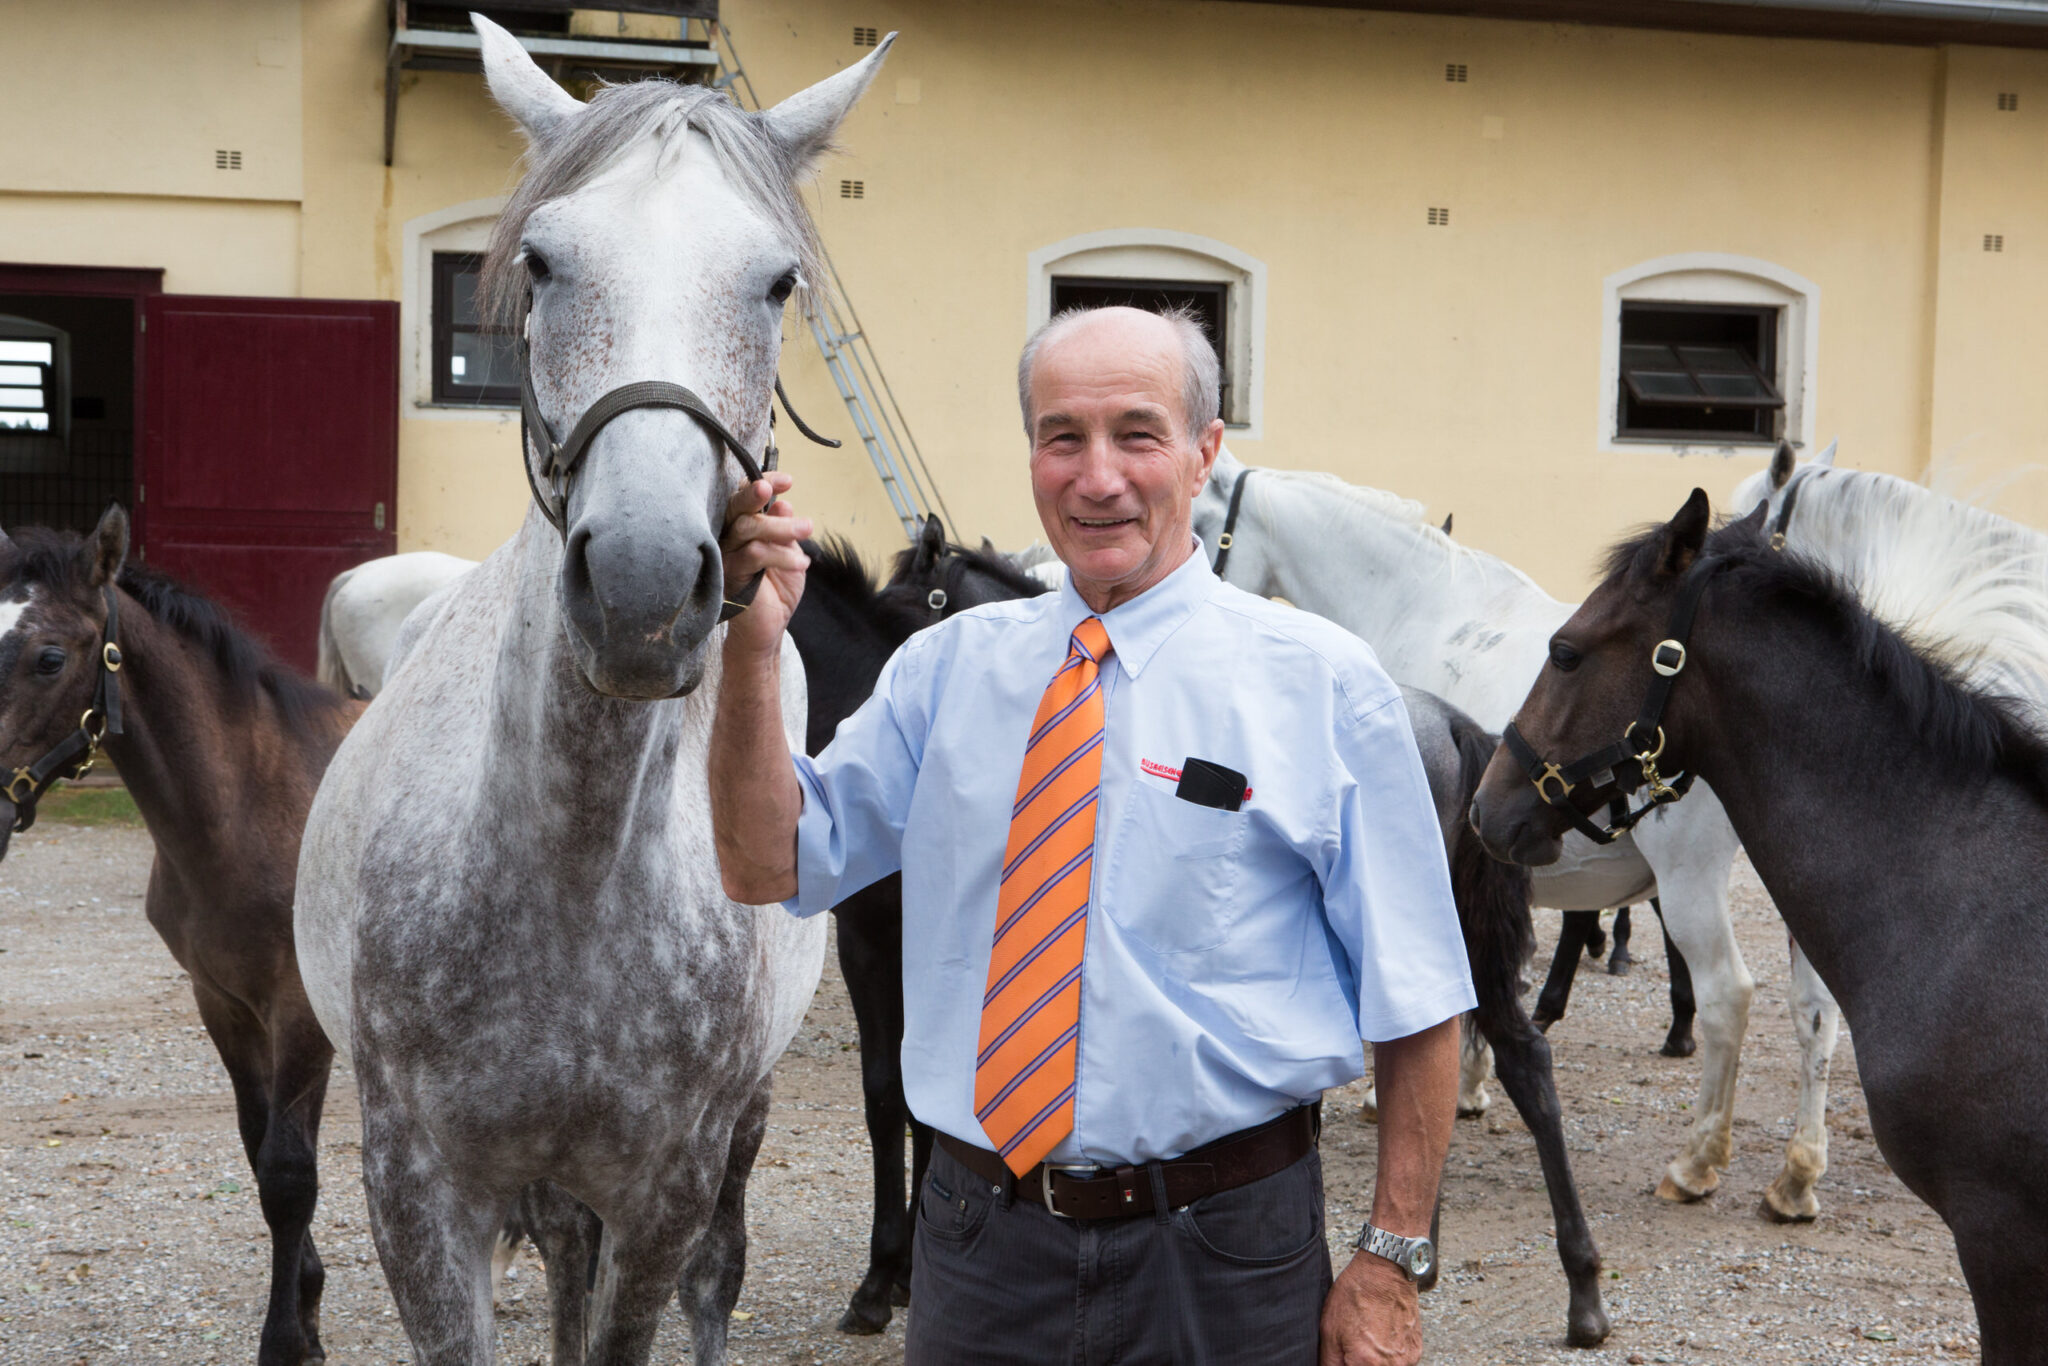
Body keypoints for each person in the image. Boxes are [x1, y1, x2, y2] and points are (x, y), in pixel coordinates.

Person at [709, 305, 1475, 1366]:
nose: (1096, 474)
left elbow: (1418, 994)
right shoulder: (943, 672)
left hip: (1223, 1248)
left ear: (1204, 451)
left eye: (1137, 433)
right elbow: (765, 862)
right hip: (979, 1247)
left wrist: (1390, 1259)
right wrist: (750, 650)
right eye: (1061, 436)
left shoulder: (1322, 686)